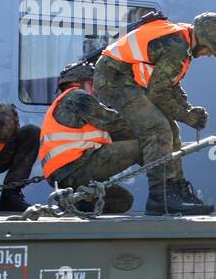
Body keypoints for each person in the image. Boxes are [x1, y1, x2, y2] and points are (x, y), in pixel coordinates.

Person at [93, 12, 216, 215]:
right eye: (209, 50)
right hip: (113, 80)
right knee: (157, 127)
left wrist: (187, 109)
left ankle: (175, 189)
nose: (208, 55)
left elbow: (170, 85)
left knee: (172, 129)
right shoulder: (177, 47)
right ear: (202, 40)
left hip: (125, 78)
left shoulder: (181, 39)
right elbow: (158, 93)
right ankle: (160, 196)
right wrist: (187, 116)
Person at [38, 61, 143, 214]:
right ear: (79, 82)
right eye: (92, 84)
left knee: (122, 200)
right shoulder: (77, 97)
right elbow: (114, 122)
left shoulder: (65, 103)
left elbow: (116, 132)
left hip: (66, 174)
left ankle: (75, 206)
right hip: (75, 168)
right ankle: (164, 193)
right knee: (146, 145)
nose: (95, 90)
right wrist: (151, 130)